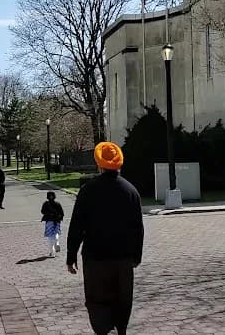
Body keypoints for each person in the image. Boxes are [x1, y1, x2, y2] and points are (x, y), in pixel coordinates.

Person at [66, 141, 143, 335]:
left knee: (96, 298)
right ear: (120, 164)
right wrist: (136, 256)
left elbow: (77, 226)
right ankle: (121, 329)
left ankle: (102, 329)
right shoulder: (131, 191)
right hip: (123, 258)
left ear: (99, 164)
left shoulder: (87, 191)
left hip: (95, 257)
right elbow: (137, 228)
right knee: (123, 298)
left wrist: (71, 255)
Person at [41, 191, 64, 257]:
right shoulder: (58, 204)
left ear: (47, 197)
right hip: (57, 221)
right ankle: (57, 242)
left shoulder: (46, 204)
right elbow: (62, 213)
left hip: (49, 221)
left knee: (50, 236)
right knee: (56, 233)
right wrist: (59, 217)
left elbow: (42, 211)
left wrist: (48, 214)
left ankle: (52, 252)